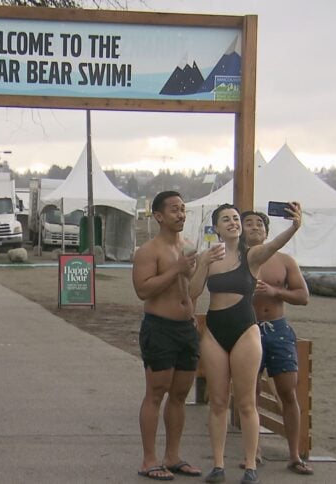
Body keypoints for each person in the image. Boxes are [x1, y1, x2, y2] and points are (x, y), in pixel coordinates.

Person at [189, 202, 302, 484]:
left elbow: (274, 245)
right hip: (215, 329)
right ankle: (217, 464)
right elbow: (192, 291)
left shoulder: (251, 255)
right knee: (217, 401)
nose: (233, 222)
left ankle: (251, 465)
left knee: (246, 402)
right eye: (226, 219)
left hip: (245, 330)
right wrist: (202, 263)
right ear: (215, 227)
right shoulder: (209, 256)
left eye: (236, 218)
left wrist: (294, 226)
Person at [130, 191, 203, 481]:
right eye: (174, 209)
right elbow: (143, 290)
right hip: (160, 328)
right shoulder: (149, 251)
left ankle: (173, 457)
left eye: (183, 209)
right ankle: (149, 460)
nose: (181, 214)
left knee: (180, 395)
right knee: (156, 393)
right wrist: (176, 270)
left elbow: (191, 290)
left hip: (186, 329)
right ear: (159, 216)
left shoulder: (188, 246)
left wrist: (201, 268)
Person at [241, 210, 314, 476]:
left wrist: (275, 292)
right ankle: (254, 451)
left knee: (287, 391)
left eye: (260, 223)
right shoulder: (235, 260)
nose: (255, 227)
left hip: (278, 330)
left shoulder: (283, 261)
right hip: (247, 328)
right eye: (248, 223)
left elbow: (303, 296)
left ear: (268, 231)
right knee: (251, 394)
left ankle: (294, 454)